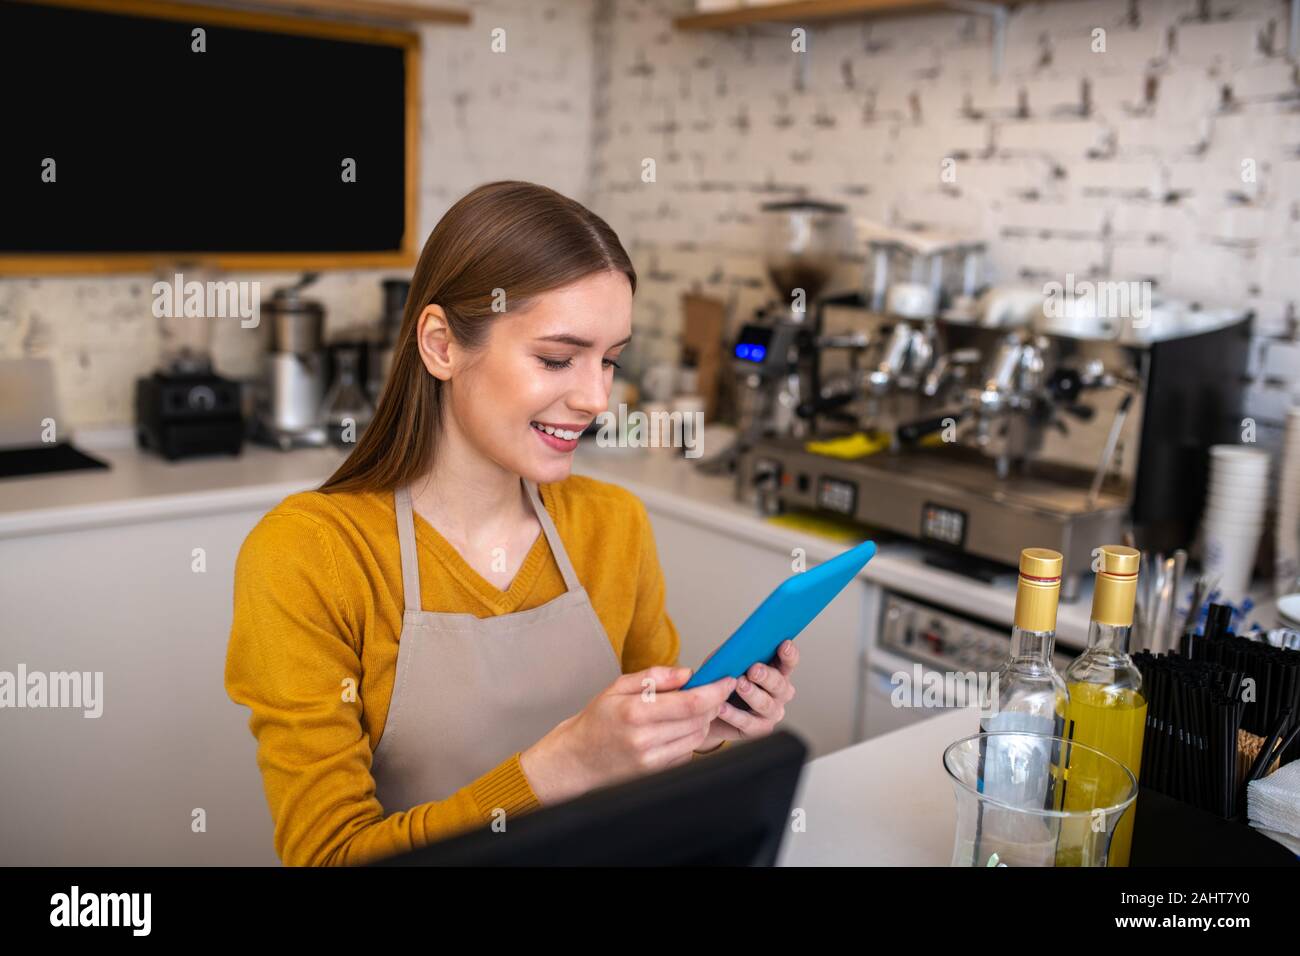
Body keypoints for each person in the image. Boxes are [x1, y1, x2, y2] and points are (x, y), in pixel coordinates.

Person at [225, 181, 800, 866]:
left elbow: (648, 762)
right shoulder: (309, 555)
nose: (595, 398)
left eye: (610, 359)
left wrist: (706, 727)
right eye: (557, 358)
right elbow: (330, 856)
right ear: (440, 344)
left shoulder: (613, 525)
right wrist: (562, 768)